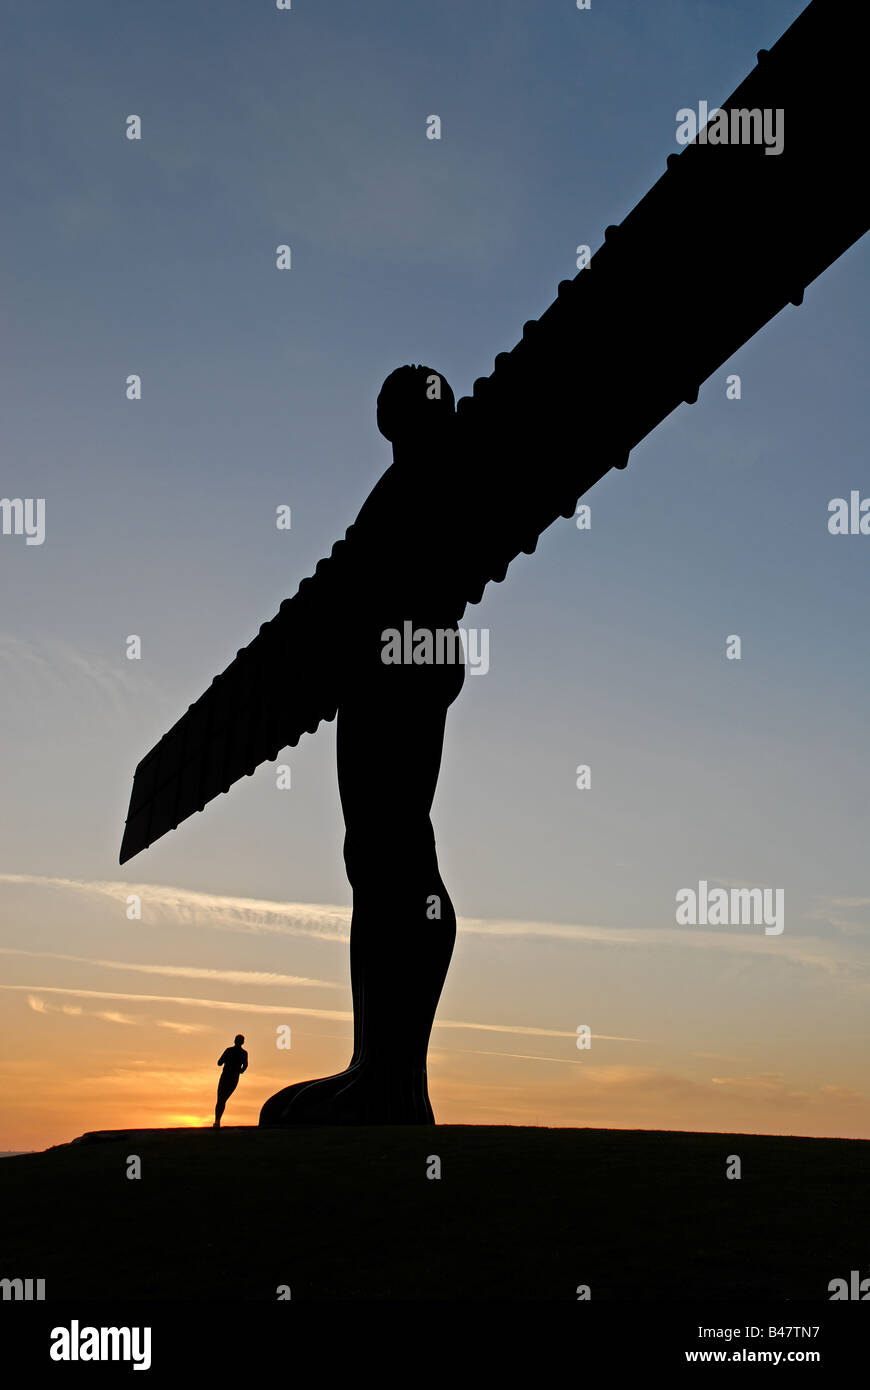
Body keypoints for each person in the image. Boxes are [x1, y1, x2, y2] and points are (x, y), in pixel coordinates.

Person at [259, 366, 464, 1126]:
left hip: (408, 658)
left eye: (405, 395)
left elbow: (404, 580)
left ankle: (396, 1077)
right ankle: (372, 1062)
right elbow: (350, 578)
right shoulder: (399, 484)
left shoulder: (443, 470)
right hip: (375, 670)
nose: (389, 408)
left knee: (398, 847)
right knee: (371, 855)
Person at [213, 1034, 248, 1127]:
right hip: (229, 1077)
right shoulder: (238, 1052)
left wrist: (240, 1070)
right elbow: (220, 1062)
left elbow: (219, 1062)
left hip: (229, 1077)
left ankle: (217, 1120)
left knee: (221, 1099)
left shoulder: (231, 1051)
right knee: (221, 1099)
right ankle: (217, 1120)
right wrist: (240, 1070)